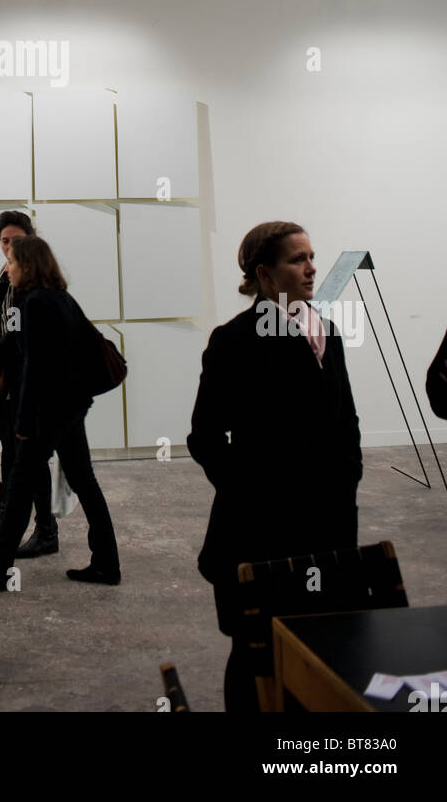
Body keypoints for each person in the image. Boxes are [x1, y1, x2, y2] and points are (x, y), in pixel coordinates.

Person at [187, 221, 362, 712]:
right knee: (255, 651)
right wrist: (249, 492)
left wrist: (350, 471)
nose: (311, 269)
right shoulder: (234, 341)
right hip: (258, 531)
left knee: (319, 648)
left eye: (312, 257)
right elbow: (204, 437)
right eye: (297, 260)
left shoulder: (325, 329)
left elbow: (344, 415)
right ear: (264, 273)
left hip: (328, 523)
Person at [0, 235, 119, 589]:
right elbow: (16, 343)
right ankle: (106, 563)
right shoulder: (57, 298)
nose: (7, 268)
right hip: (70, 407)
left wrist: (24, 424)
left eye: (11, 262)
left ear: (26, 266)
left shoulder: (36, 304)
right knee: (83, 482)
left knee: (20, 487)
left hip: (49, 413)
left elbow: (36, 371)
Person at [0, 210, 58, 558]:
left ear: (30, 238)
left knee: (30, 459)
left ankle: (46, 530)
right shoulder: (7, 275)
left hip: (26, 384)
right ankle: (7, 523)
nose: (9, 247)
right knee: (10, 453)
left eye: (16, 240)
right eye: (4, 241)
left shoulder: (27, 280)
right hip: (10, 385)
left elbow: (17, 337)